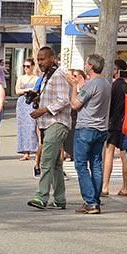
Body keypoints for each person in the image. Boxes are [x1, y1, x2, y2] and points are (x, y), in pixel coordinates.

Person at [27, 47, 72, 210]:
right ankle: (60, 198)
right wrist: (38, 99)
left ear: (53, 58)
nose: (40, 63)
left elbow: (64, 100)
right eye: (38, 60)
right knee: (55, 163)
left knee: (46, 159)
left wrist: (44, 110)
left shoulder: (59, 74)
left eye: (43, 59)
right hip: (47, 123)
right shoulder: (47, 75)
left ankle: (41, 196)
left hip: (57, 122)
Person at [68, 54, 111, 214]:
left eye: (87, 64)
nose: (85, 66)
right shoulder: (106, 84)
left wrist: (73, 86)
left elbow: (75, 104)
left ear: (91, 66)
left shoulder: (91, 84)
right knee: (96, 164)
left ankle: (90, 201)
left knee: (81, 164)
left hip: (86, 127)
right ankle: (95, 200)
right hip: (101, 127)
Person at [103, 59, 127, 197]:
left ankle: (105, 186)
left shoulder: (114, 86)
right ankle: (125, 186)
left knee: (109, 153)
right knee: (124, 155)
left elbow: (110, 105)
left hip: (113, 123)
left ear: (118, 70)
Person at [14, 60, 39, 161]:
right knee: (23, 127)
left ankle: (35, 149)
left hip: (32, 102)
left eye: (28, 66)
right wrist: (26, 90)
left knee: (32, 126)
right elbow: (17, 91)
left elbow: (38, 90)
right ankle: (25, 151)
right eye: (24, 66)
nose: (26, 68)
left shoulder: (36, 78)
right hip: (22, 102)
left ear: (33, 66)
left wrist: (32, 92)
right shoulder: (21, 78)